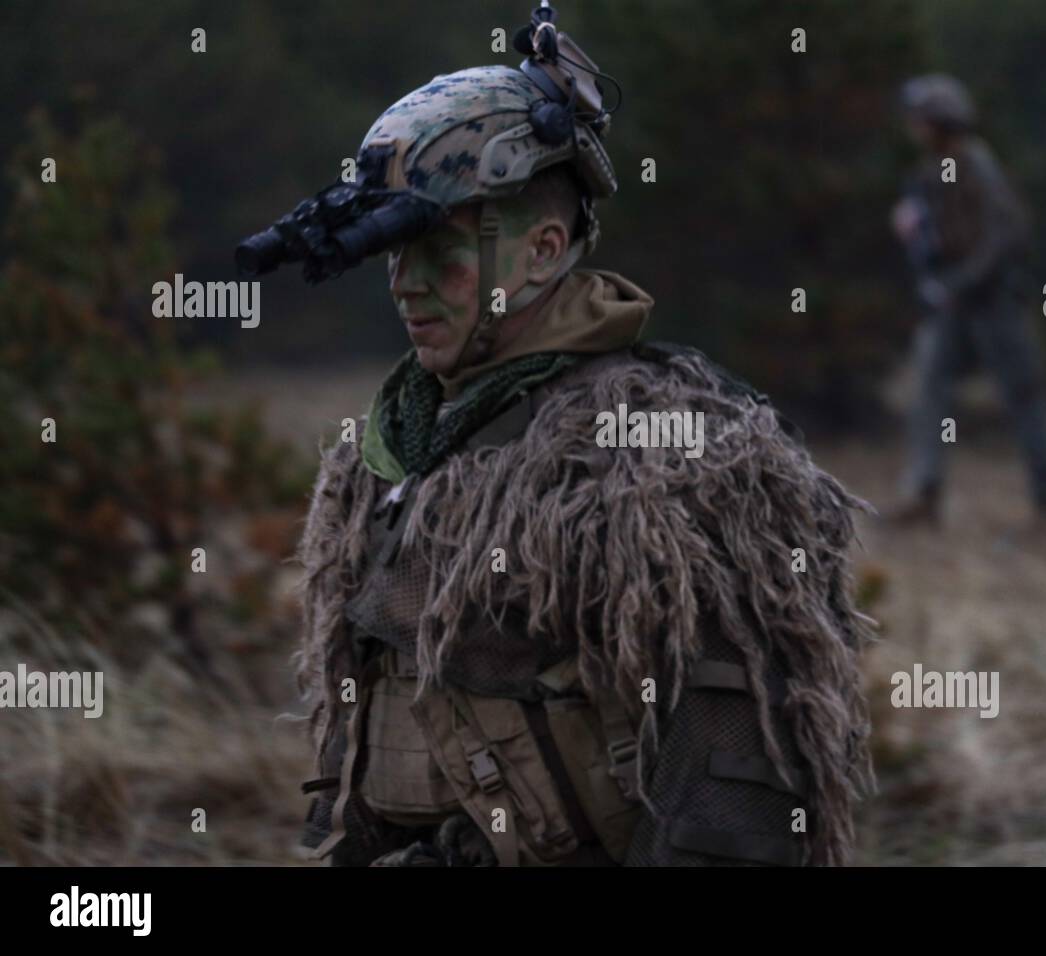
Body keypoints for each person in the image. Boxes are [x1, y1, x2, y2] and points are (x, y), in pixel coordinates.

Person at [291, 13, 872, 867]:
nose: (405, 287)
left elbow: (732, 805)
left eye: (440, 254)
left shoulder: (667, 461)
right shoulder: (392, 452)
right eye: (392, 254)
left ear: (543, 251)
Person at [889, 74, 1046, 527]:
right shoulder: (931, 172)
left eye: (920, 119)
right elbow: (935, 236)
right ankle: (925, 494)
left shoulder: (975, 163)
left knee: (1023, 393)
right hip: (953, 299)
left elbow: (1008, 233)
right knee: (928, 391)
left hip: (992, 298)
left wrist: (961, 279)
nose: (913, 126)